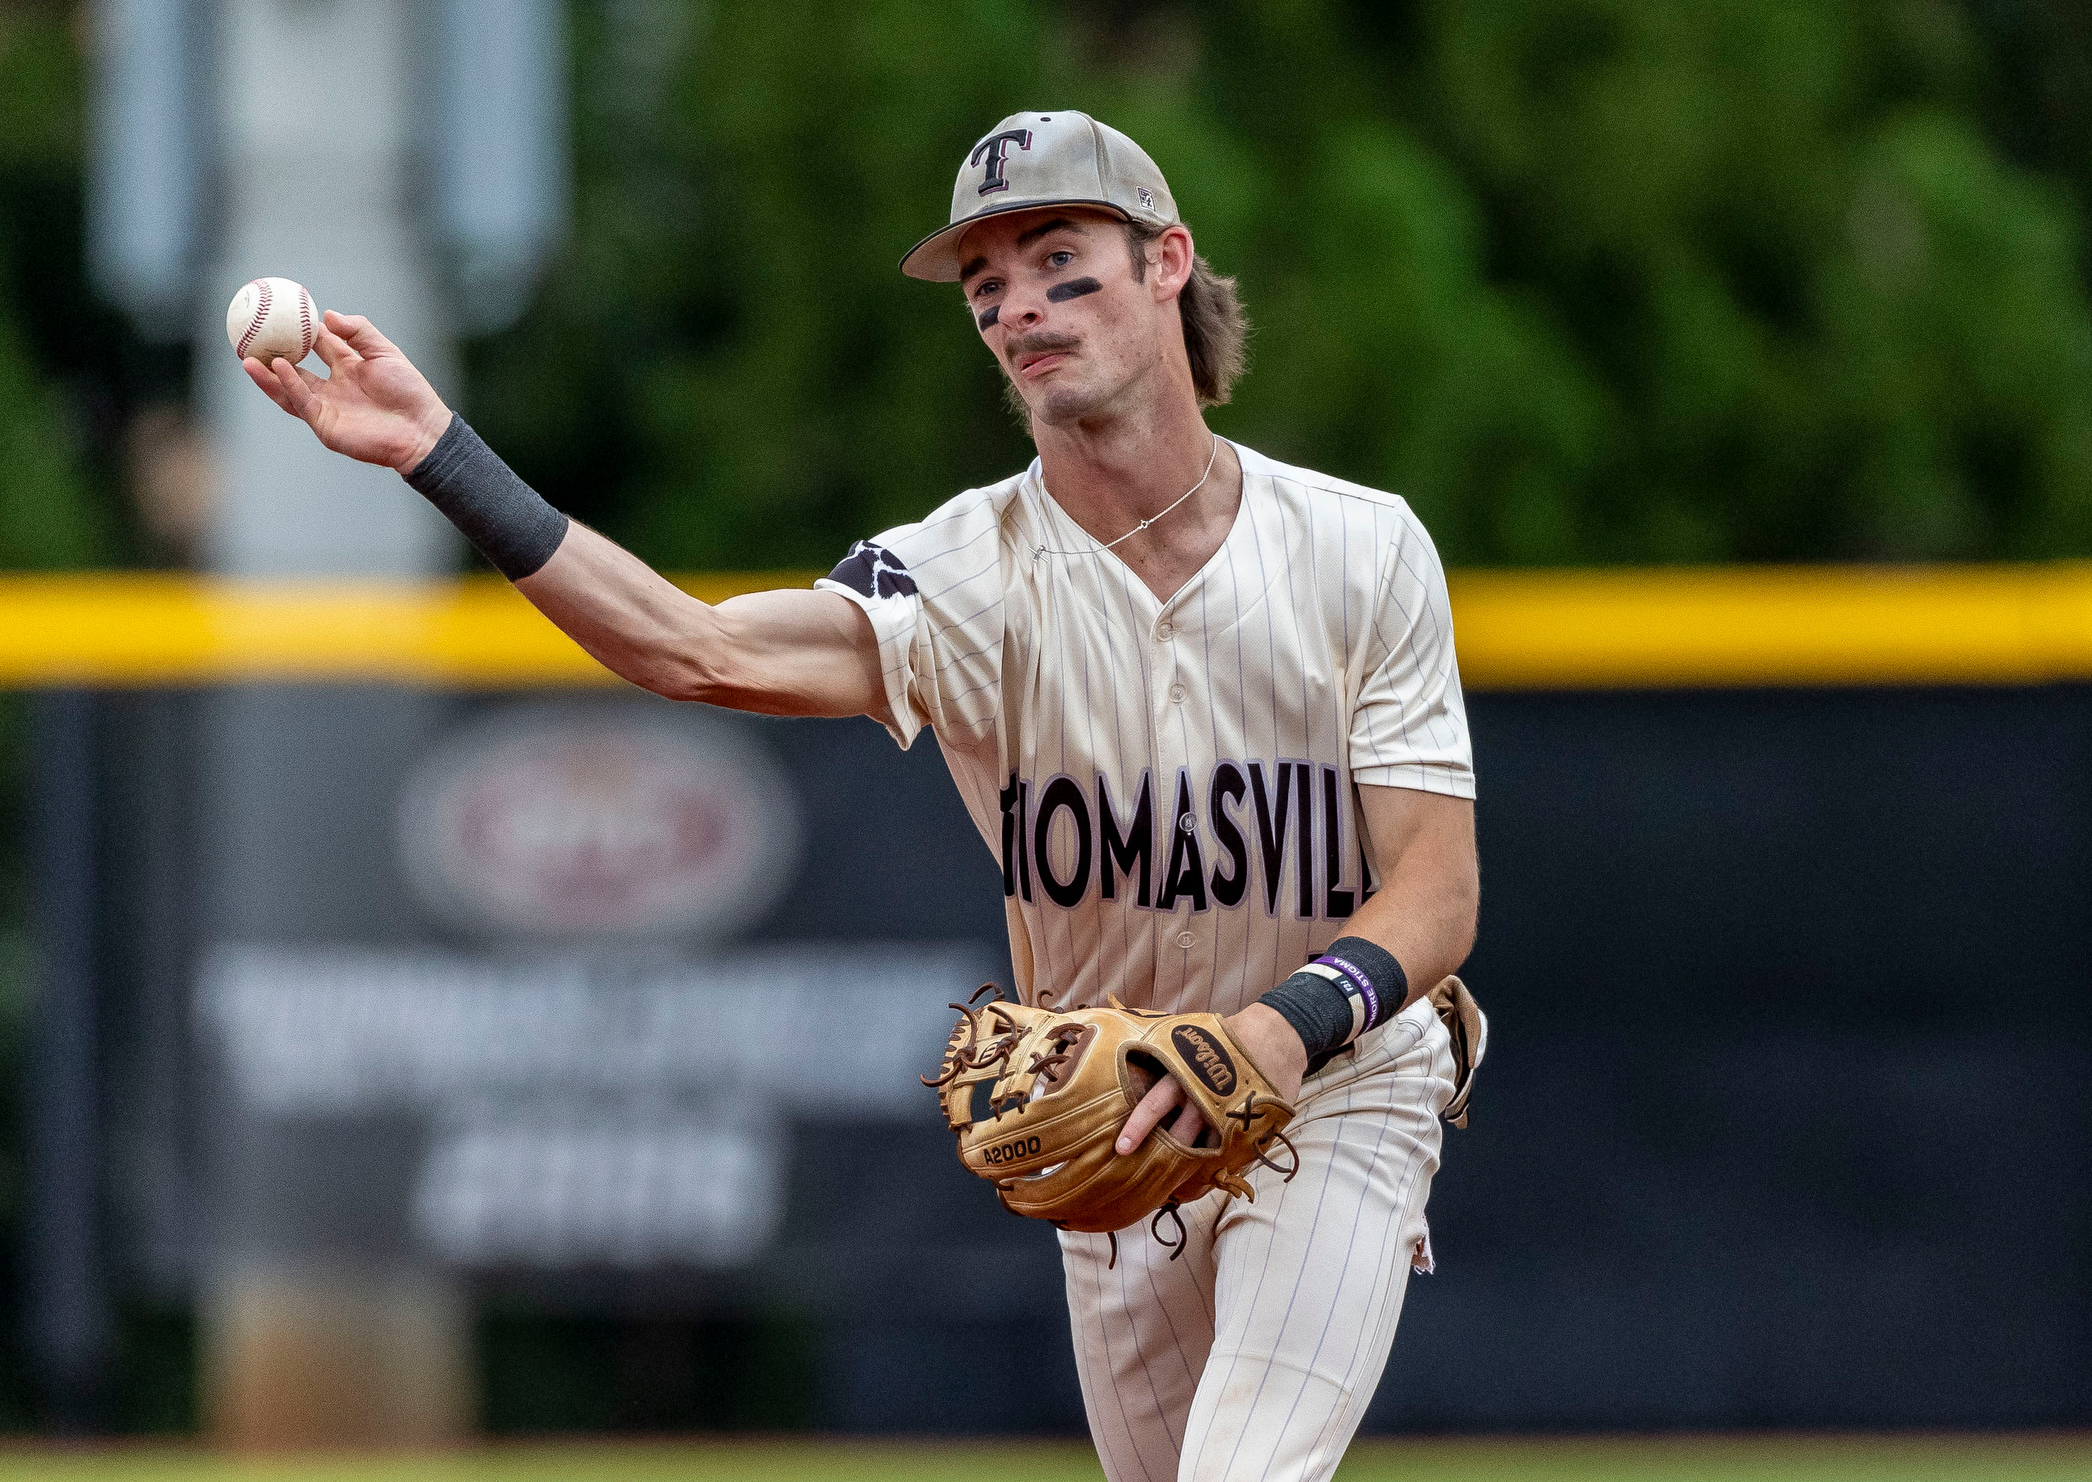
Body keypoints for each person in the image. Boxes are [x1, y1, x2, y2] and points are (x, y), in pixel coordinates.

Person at [245, 108, 1483, 1482]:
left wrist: (1283, 1025)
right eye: (985, 285)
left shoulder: (1361, 549)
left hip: (1334, 1078)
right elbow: (692, 647)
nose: (1018, 304)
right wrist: (437, 449)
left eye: (1058, 259)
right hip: (1110, 1118)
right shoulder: (957, 571)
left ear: (1166, 264)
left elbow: (1432, 887)